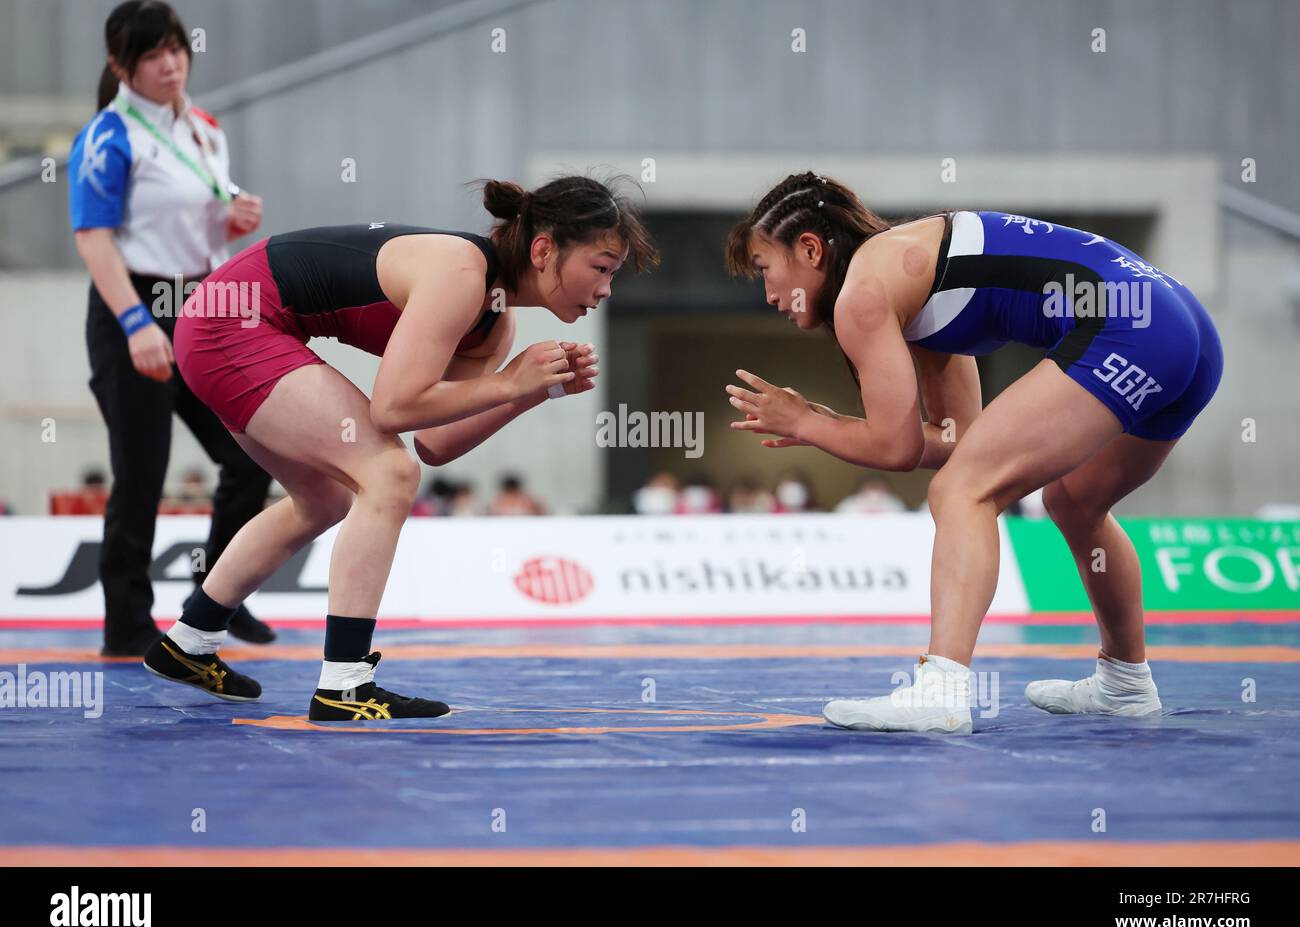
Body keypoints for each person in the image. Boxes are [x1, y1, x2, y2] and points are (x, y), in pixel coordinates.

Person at [144, 175, 658, 720]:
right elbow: (393, 409)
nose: (605, 290)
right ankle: (344, 683)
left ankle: (189, 641)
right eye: (601, 269)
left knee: (327, 501)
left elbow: (434, 442)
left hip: (228, 323)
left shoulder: (493, 324)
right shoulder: (462, 273)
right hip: (230, 321)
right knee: (387, 473)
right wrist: (508, 383)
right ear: (543, 250)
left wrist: (527, 392)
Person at [724, 172, 1223, 734]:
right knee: (1073, 500)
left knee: (961, 492)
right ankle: (1126, 684)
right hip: (1186, 330)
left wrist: (809, 421)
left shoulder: (863, 292)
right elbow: (959, 440)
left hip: (1136, 326)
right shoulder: (916, 283)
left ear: (810, 249)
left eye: (766, 270)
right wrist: (827, 424)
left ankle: (940, 690)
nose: (768, 296)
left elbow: (900, 449)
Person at [68, 0, 275, 655]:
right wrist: (135, 322)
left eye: (177, 50)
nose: (170, 64)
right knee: (142, 472)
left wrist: (233, 219)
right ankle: (126, 626)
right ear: (121, 65)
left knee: (250, 455)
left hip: (202, 308)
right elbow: (94, 238)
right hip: (134, 306)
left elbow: (205, 222)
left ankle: (217, 596)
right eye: (153, 55)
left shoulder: (206, 128)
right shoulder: (108, 136)